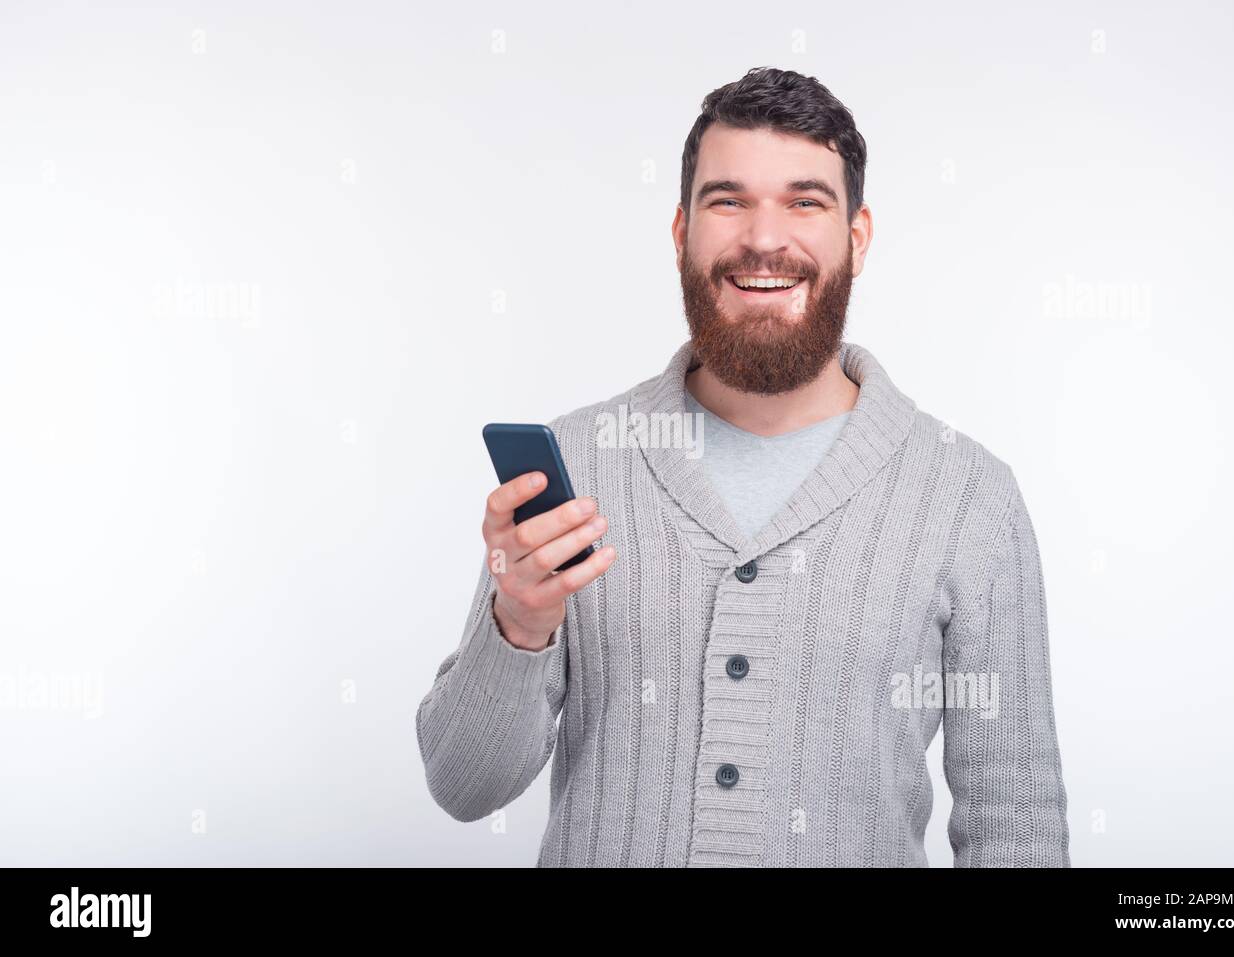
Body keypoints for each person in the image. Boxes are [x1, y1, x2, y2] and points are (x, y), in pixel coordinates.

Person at [416, 66, 1070, 868]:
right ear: (681, 231)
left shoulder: (968, 495)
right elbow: (462, 785)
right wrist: (516, 628)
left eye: (805, 201)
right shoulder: (577, 463)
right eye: (729, 201)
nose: (765, 238)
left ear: (856, 237)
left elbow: (1015, 819)